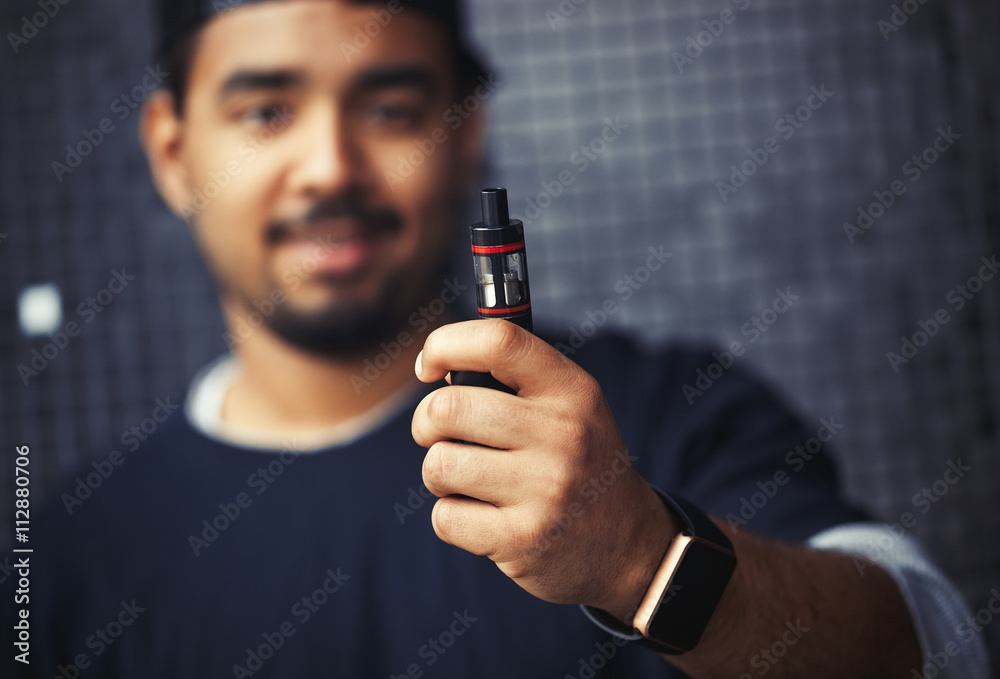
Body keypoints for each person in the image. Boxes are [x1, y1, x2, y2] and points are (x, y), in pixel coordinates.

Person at [10, 0, 990, 677]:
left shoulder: (670, 415)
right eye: (266, 110)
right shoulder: (61, 560)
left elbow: (935, 650)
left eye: (389, 107)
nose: (329, 167)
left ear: (465, 130)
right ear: (174, 153)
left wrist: (640, 556)